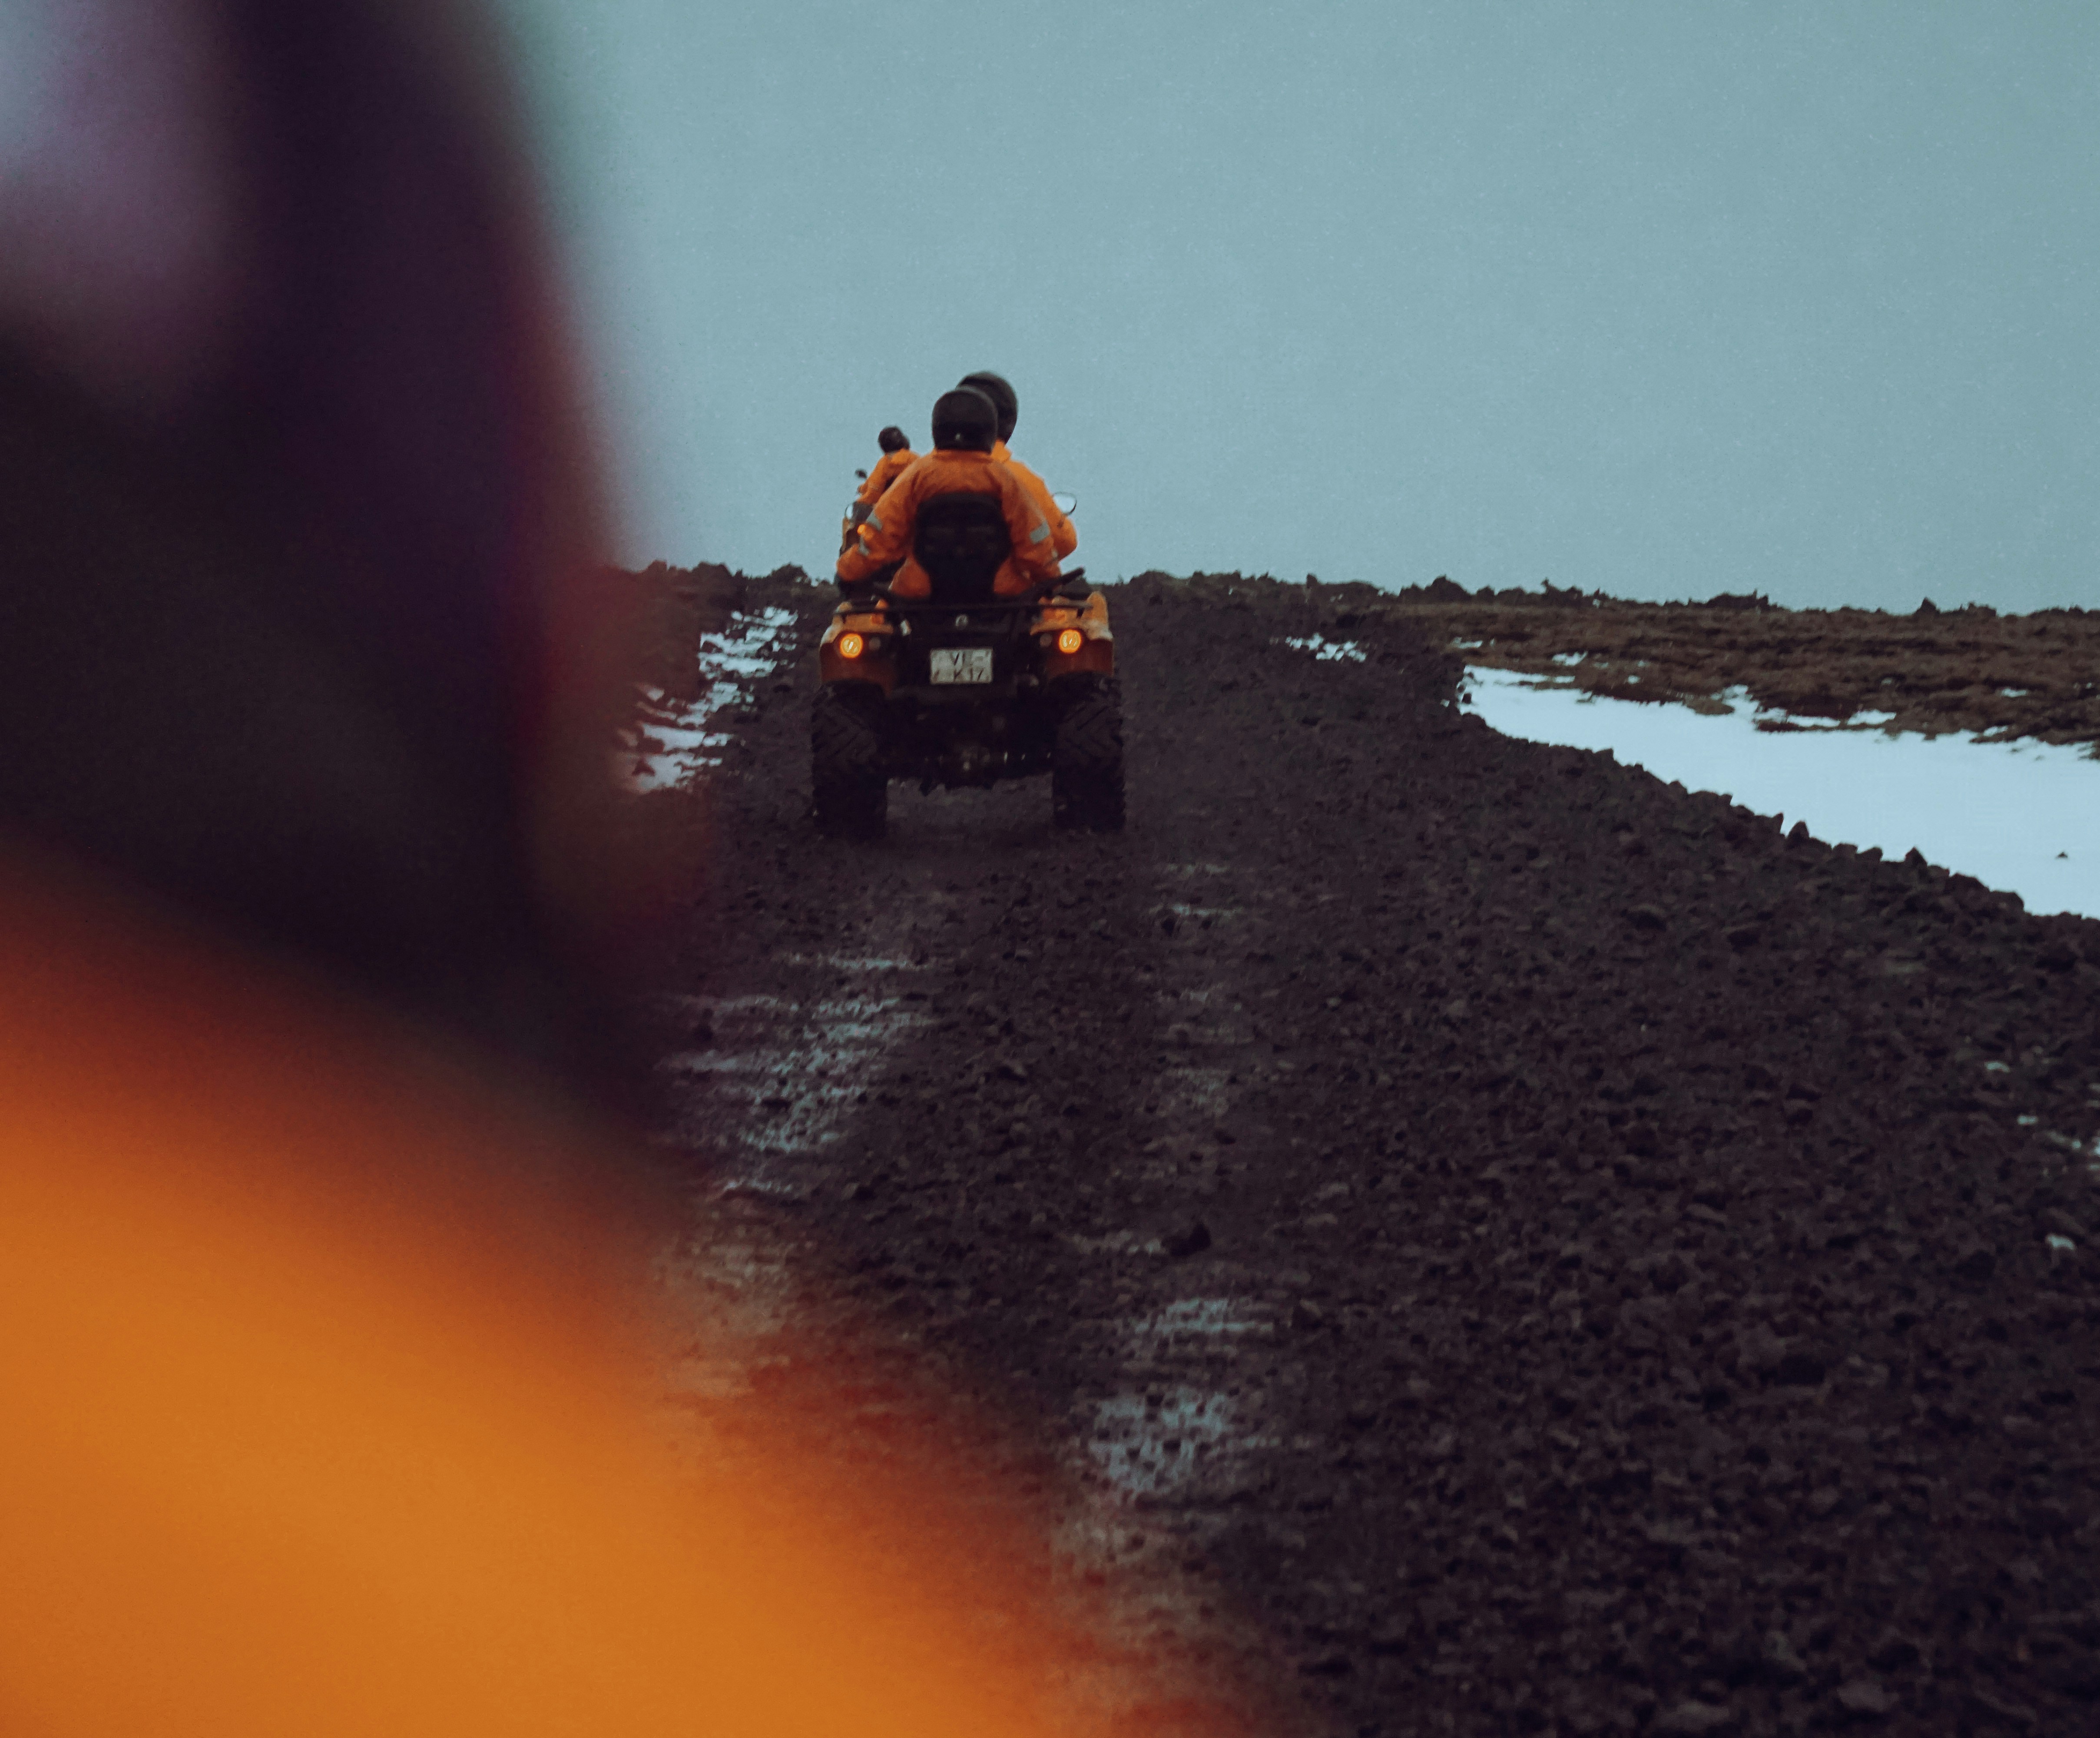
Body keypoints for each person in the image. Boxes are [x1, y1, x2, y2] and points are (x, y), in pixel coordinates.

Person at [0, 5, 1224, 1734]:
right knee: (873, 658)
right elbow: (876, 562)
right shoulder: (747, 1652)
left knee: (1053, 655)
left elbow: (1039, 561)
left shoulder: (1011, 501)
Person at [837, 387, 1064, 600]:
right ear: (989, 431)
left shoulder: (917, 476)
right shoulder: (1006, 479)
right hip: (1000, 595)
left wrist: (847, 572)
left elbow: (880, 538)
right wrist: (1052, 581)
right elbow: (1034, 541)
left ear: (937, 429)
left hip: (921, 594)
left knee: (877, 618)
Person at [957, 370, 1079, 562]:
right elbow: (1064, 542)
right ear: (1007, 423)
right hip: (1000, 582)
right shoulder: (1020, 479)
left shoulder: (920, 474)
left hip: (927, 581)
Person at [840, 425, 916, 557]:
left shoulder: (886, 462)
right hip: (914, 512)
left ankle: (848, 555)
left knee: (851, 520)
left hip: (889, 514)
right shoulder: (916, 460)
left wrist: (862, 498)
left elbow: (874, 490)